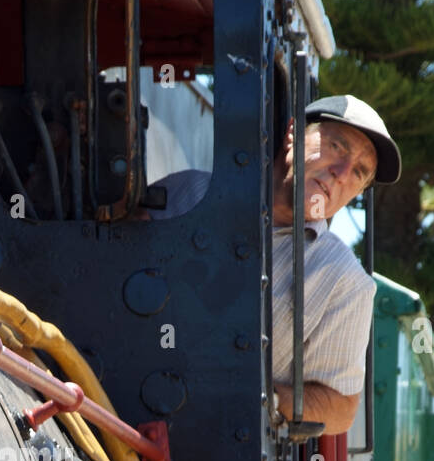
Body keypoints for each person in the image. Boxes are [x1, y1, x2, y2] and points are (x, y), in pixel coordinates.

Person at [146, 95, 402, 436]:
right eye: (337, 146)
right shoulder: (188, 190)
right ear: (293, 133)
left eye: (358, 172)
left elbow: (340, 406)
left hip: (209, 451)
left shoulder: (347, 282)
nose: (341, 174)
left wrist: (257, 398)